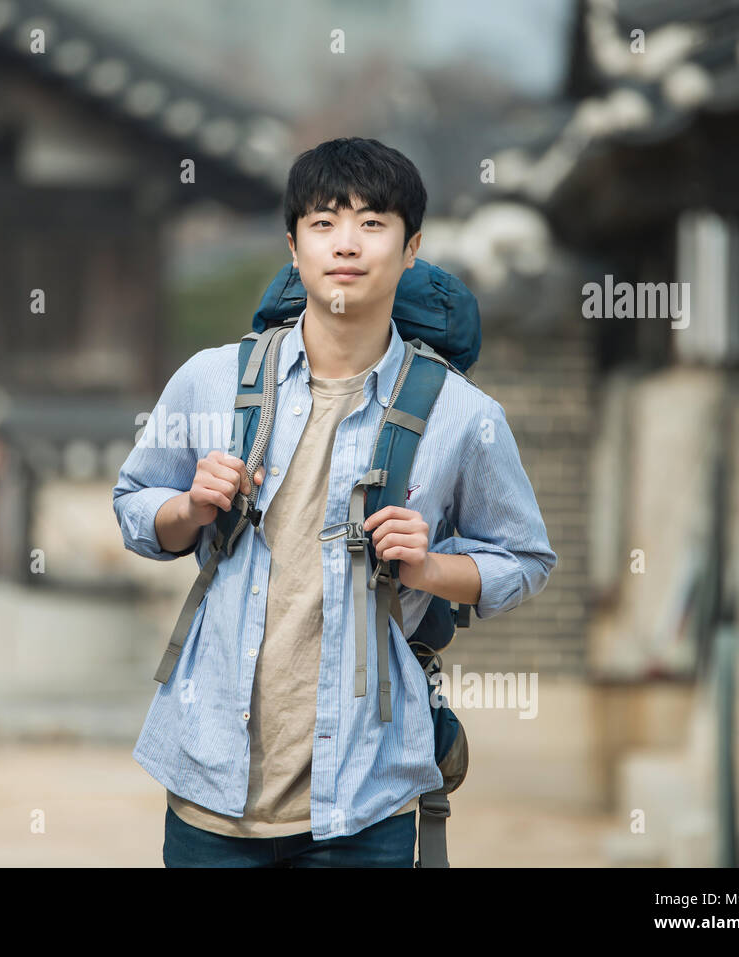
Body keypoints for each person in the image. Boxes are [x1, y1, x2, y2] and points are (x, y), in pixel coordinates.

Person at [112, 136, 557, 867]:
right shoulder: (210, 380)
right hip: (209, 787)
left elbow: (526, 558)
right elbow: (134, 503)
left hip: (365, 797)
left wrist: (430, 568)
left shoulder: (463, 414)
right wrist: (189, 508)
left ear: (412, 247)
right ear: (292, 245)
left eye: (372, 223)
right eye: (323, 222)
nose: (346, 243)